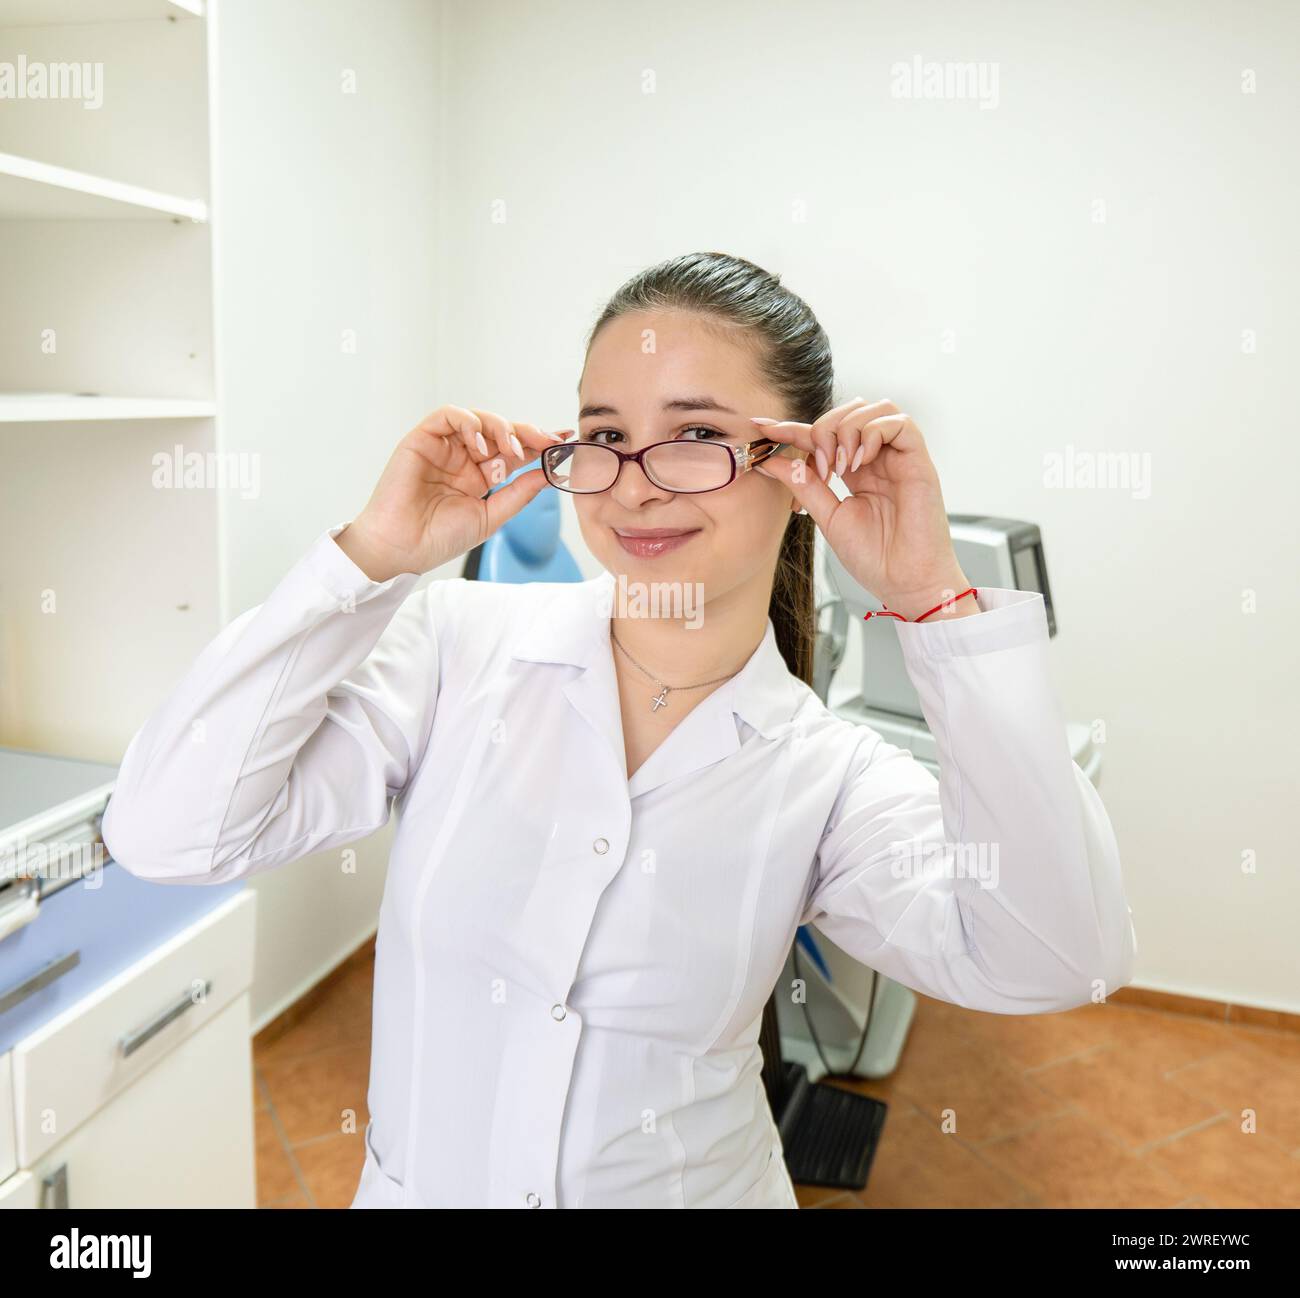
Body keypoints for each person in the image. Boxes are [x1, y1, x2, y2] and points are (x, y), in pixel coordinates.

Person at [102, 251, 1137, 1209]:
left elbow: (1054, 957)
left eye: (693, 433)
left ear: (799, 461)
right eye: (603, 434)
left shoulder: (825, 772)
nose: (635, 479)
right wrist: (370, 557)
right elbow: (169, 830)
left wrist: (930, 596)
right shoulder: (453, 646)